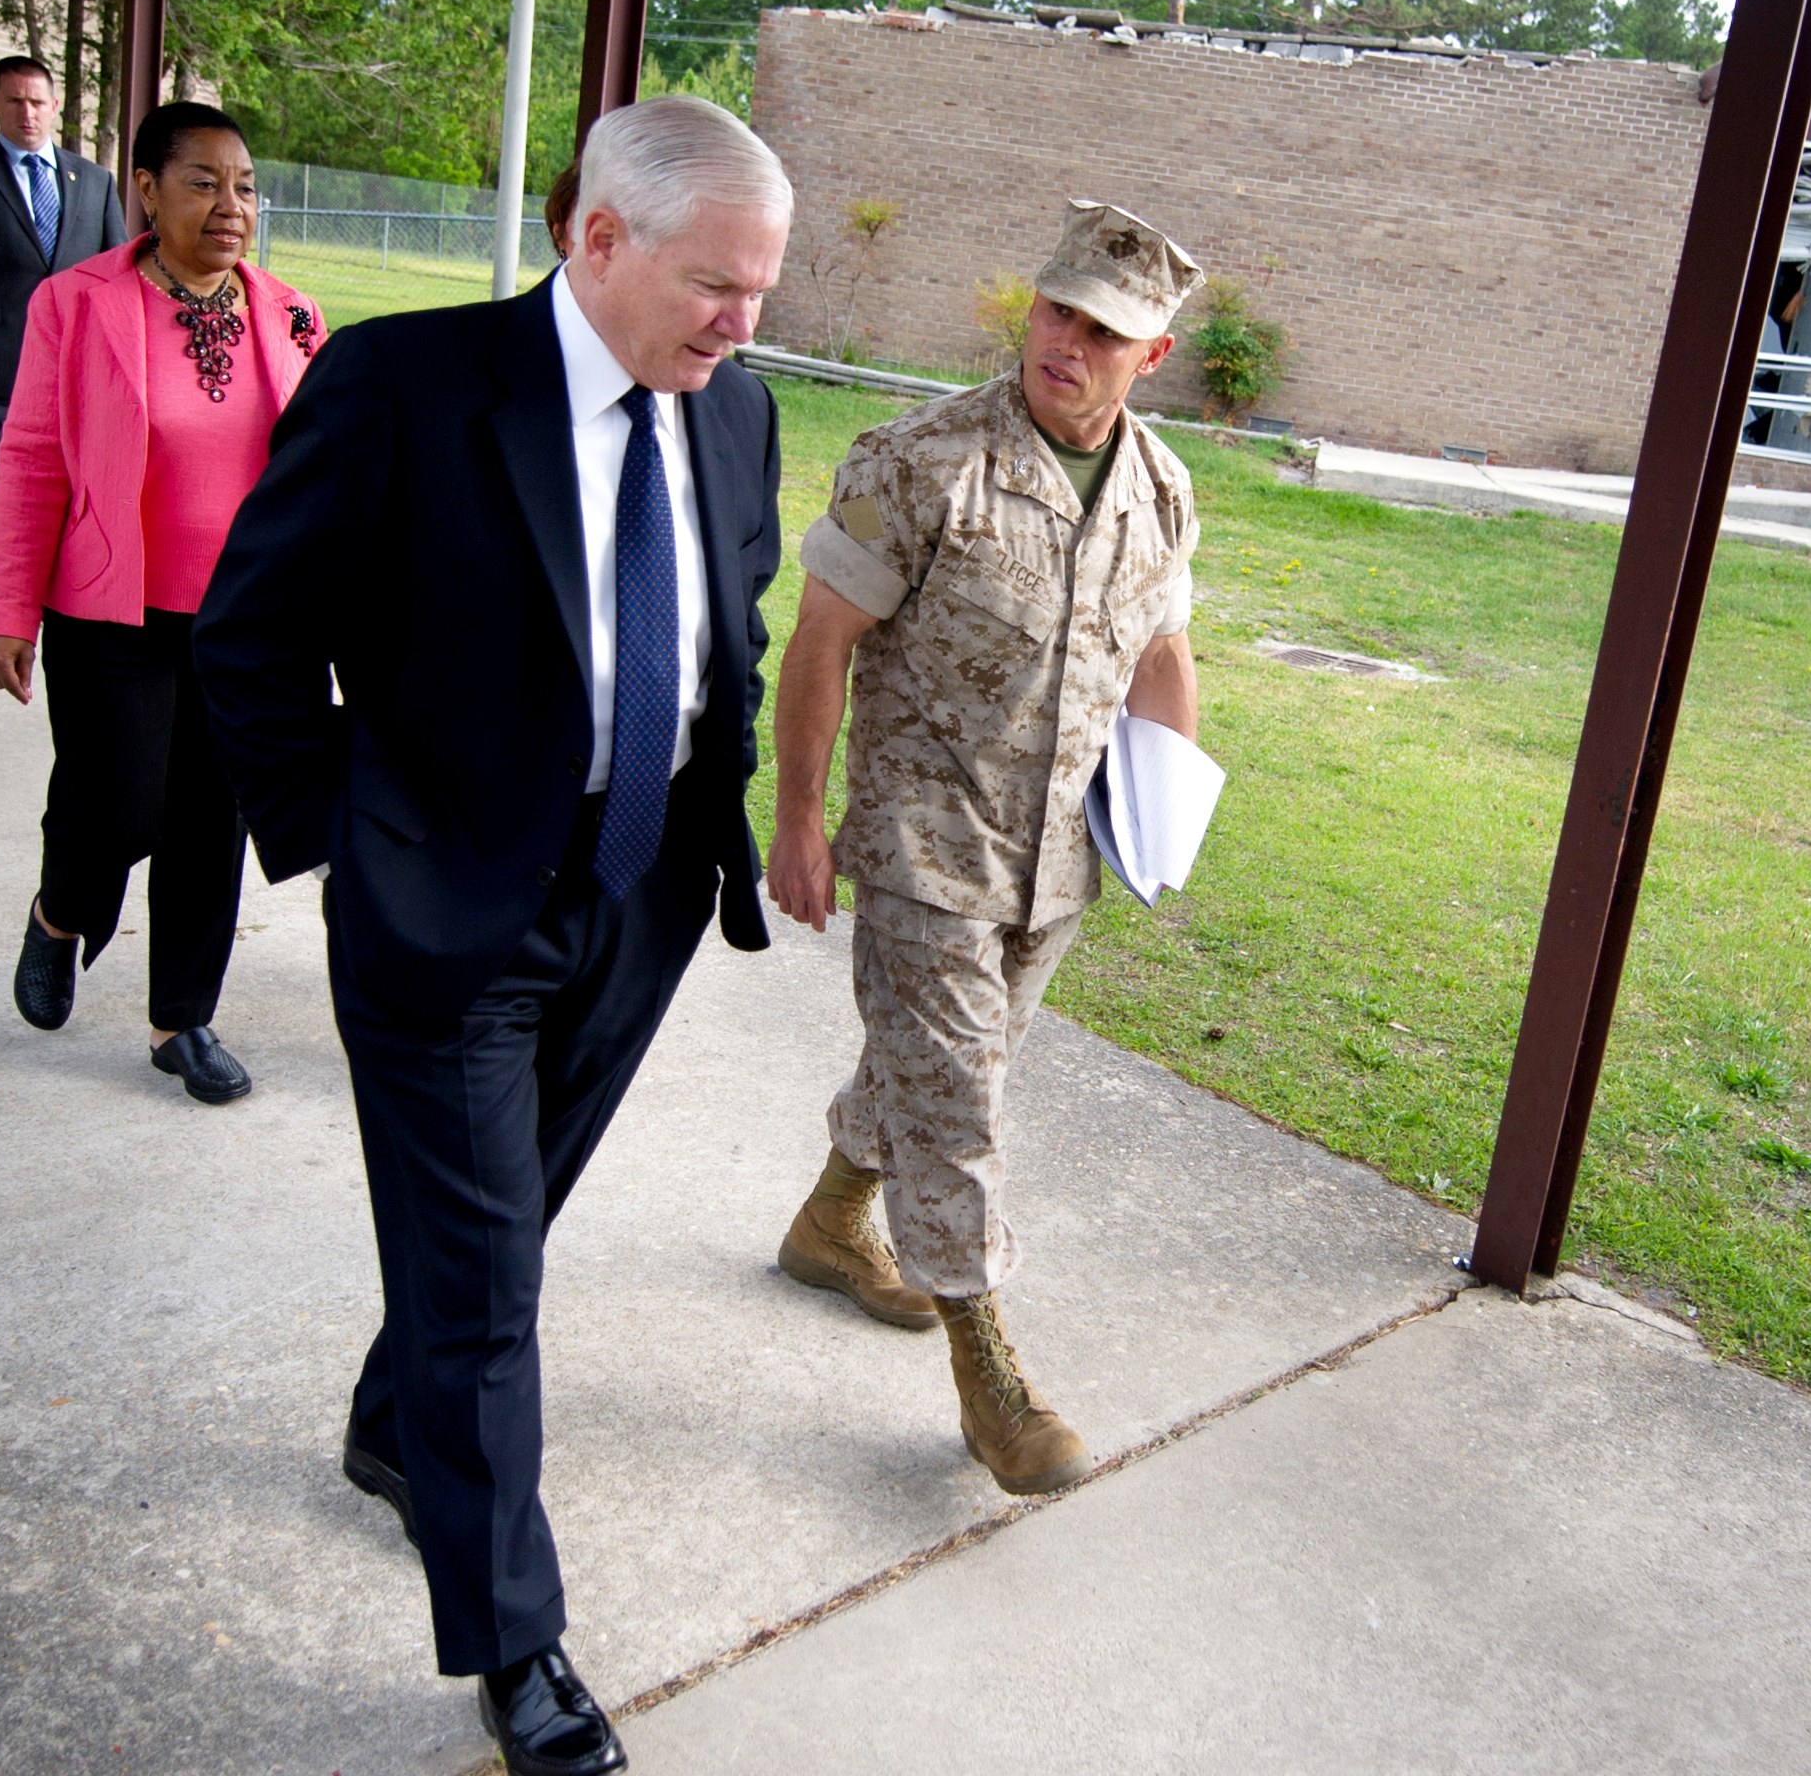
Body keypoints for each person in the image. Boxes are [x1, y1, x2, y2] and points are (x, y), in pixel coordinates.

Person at [193, 95, 789, 1776]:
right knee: (484, 1295)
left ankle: (396, 1432)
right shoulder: (405, 387)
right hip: (444, 916)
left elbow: (724, 620)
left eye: (762, 290)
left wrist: (723, 821)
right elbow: (248, 636)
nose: (745, 324)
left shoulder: (730, 412)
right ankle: (515, 1643)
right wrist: (349, 845)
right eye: (716, 285)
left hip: (639, 897)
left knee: (495, 1242)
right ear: (597, 238)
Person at [766, 198, 1204, 1496]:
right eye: (1057, 308)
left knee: (940, 1064)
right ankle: (992, 1378)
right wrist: (799, 816)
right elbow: (821, 641)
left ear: (1153, 356)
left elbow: (1165, 656)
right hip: (923, 848)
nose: (1066, 339)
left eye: (1105, 329)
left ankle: (830, 1221)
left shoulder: (1163, 490)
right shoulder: (922, 460)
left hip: (1057, 862)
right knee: (963, 1108)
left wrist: (1163, 817)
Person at [0, 101, 323, 1104]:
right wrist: (7, 608)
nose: (231, 205)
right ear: (147, 190)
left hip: (240, 623)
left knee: (208, 824)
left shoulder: (290, 315)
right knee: (115, 797)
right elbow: (33, 458)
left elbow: (316, 479)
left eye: (246, 185)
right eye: (205, 181)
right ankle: (63, 910)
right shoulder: (74, 304)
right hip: (109, 610)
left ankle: (182, 1021)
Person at [0, 55, 129, 599]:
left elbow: (116, 277)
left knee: (69, 491)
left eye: (37, 101)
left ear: (54, 106)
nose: (28, 112)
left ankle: (56, 598)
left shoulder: (93, 180)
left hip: (77, 368)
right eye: (15, 100)